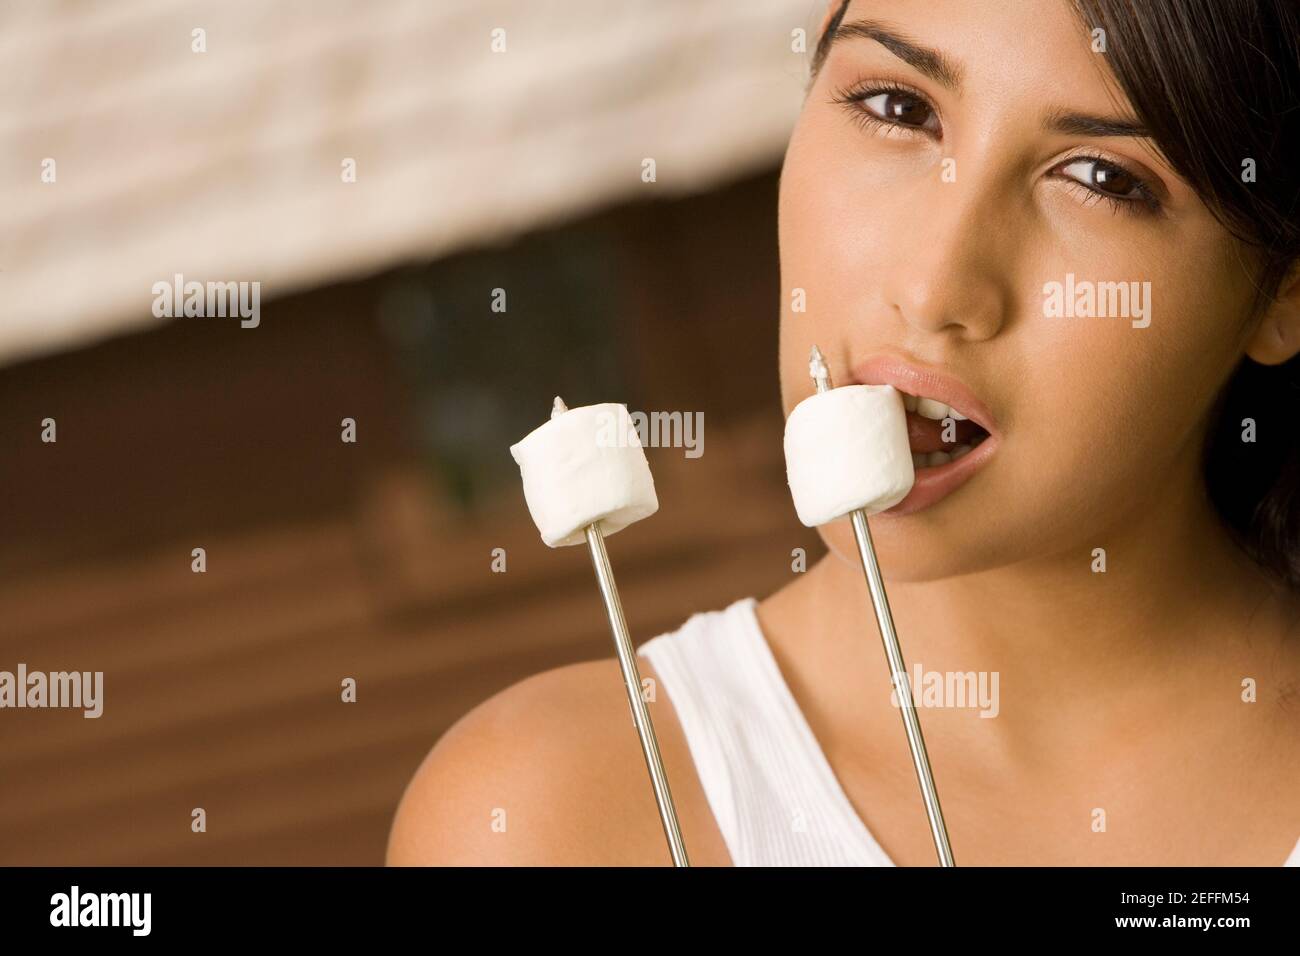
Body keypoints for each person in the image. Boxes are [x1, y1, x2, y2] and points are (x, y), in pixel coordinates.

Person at [387, 0, 1300, 866]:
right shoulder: (544, 822)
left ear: (1285, 290)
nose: (935, 289)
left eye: (1103, 179)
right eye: (899, 108)